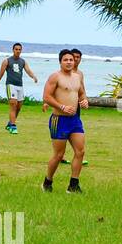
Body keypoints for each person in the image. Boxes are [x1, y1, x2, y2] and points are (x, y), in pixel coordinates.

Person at [42, 49, 88, 193]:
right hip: (59, 120)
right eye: (65, 60)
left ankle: (73, 185)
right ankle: (47, 182)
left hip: (74, 120)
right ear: (60, 62)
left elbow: (81, 93)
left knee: (80, 151)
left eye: (71, 60)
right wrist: (62, 106)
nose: (69, 62)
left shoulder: (77, 77)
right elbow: (46, 97)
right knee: (59, 155)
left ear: (74, 62)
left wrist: (84, 101)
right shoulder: (55, 77)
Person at [0, 42, 37, 133]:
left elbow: (28, 71)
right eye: (16, 49)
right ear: (13, 50)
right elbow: (1, 74)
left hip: (20, 86)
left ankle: (10, 123)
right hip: (10, 85)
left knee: (19, 107)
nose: (18, 51)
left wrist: (33, 77)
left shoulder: (23, 61)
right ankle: (13, 126)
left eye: (19, 49)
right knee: (13, 104)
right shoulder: (7, 61)